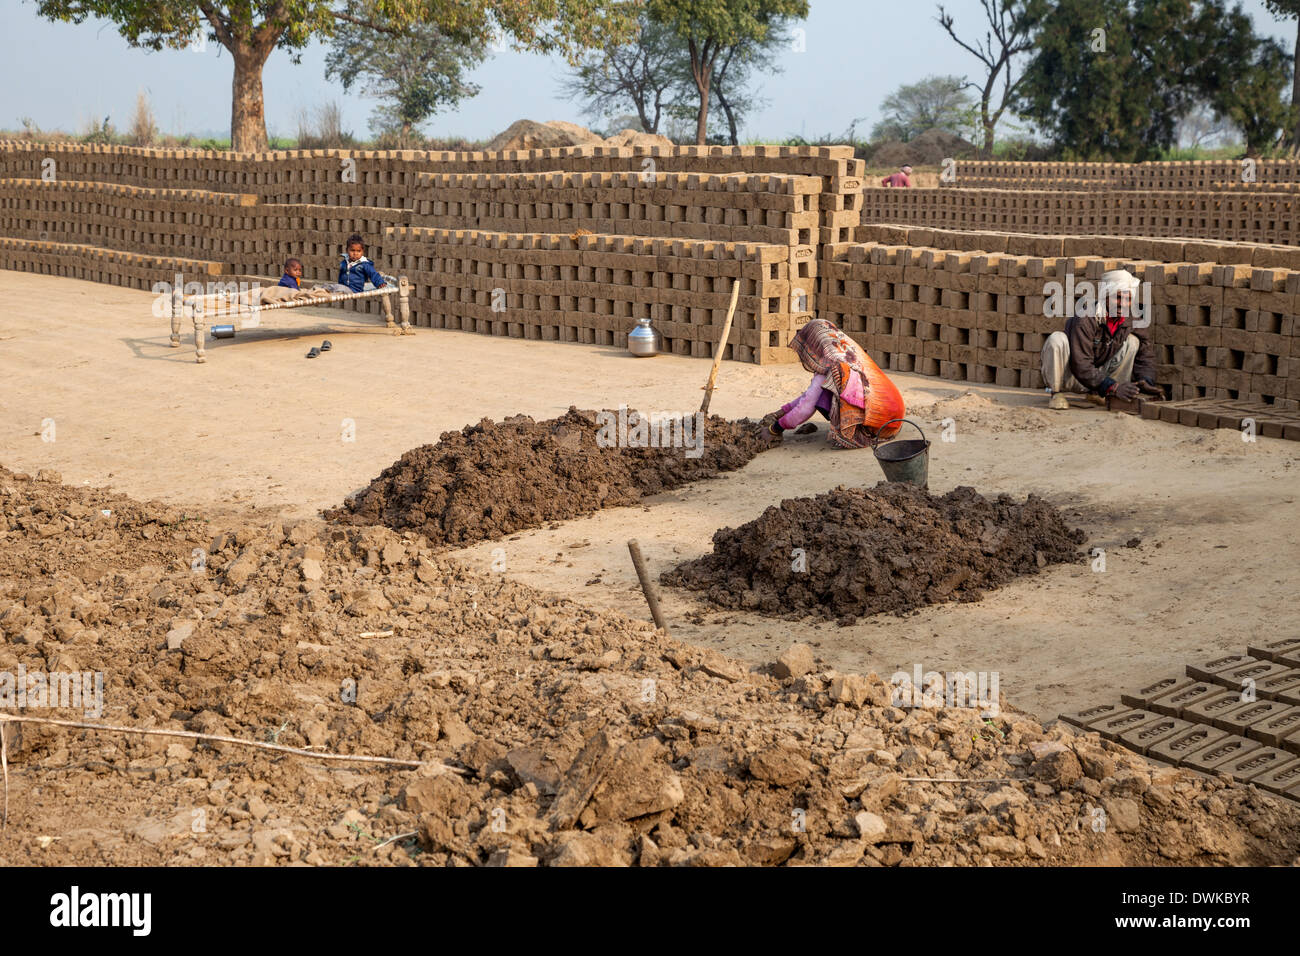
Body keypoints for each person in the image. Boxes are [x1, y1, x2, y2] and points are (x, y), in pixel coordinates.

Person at [761, 318, 906, 448]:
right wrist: (781, 412)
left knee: (826, 392)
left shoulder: (833, 365)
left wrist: (774, 429)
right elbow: (809, 395)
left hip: (882, 424)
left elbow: (805, 408)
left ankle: (855, 431)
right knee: (824, 391)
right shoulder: (845, 351)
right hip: (895, 417)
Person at [1041, 269, 1162, 410]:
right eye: (1117, 297)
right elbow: (1081, 364)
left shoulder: (1133, 321)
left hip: (1099, 380)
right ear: (1105, 296)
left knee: (1133, 341)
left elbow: (1146, 356)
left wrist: (1146, 381)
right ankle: (1056, 393)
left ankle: (1103, 395)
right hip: (1072, 377)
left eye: (1127, 299)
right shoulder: (1085, 318)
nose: (1122, 304)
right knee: (1057, 339)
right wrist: (1113, 386)